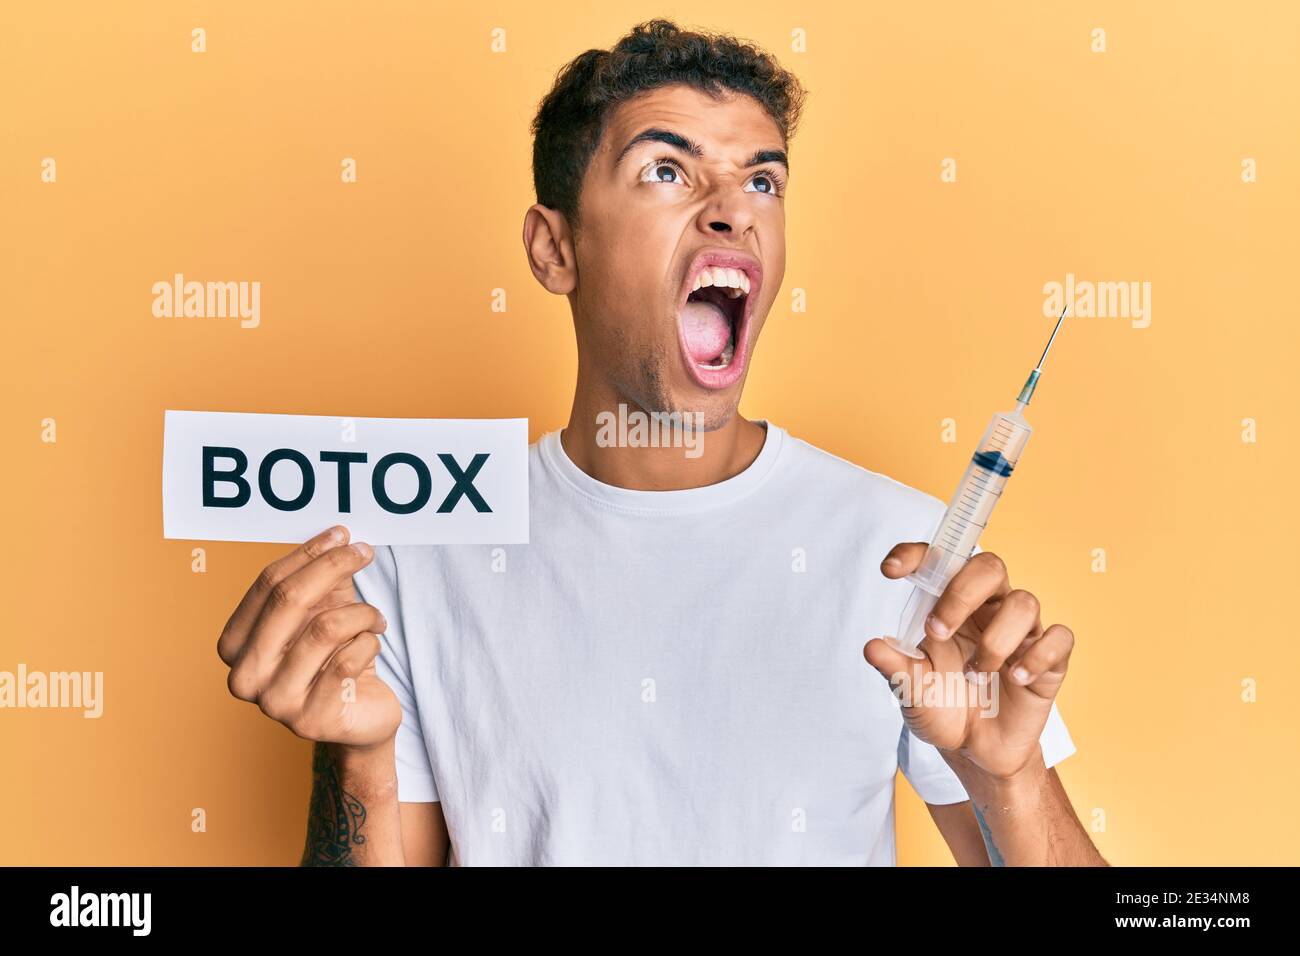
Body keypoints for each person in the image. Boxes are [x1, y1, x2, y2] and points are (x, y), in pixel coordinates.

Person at [217, 19, 1107, 866]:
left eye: (763, 180)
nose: (733, 210)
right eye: (666, 172)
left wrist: (1009, 779)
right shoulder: (420, 552)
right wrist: (358, 759)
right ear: (554, 249)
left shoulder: (906, 560)